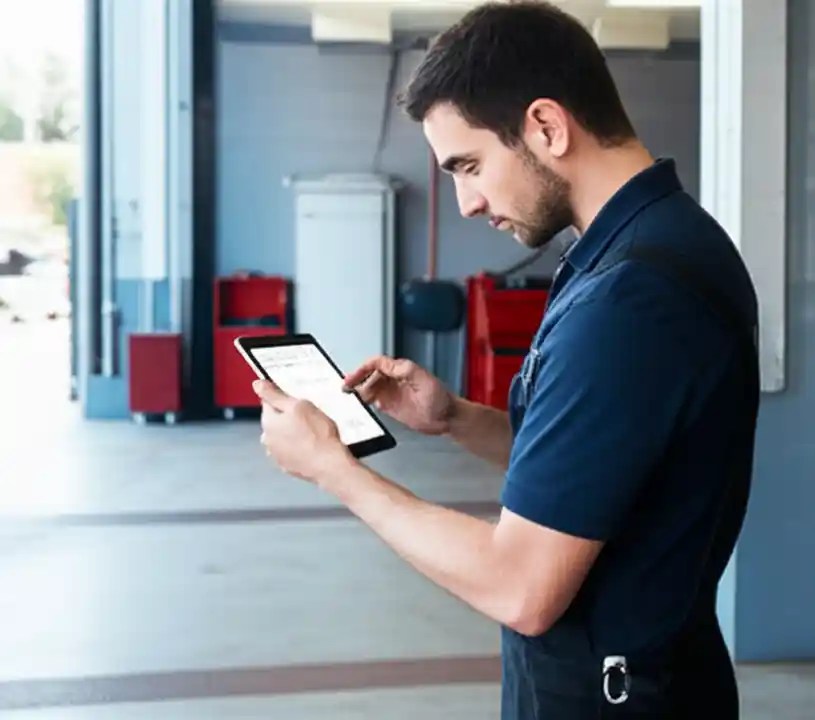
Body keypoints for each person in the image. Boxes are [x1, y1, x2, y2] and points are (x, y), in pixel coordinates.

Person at [252, 1, 760, 717]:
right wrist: (455, 417)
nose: (465, 202)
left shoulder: (630, 301)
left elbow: (521, 587)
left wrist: (338, 470)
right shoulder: (657, 243)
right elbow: (600, 468)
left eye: (470, 165)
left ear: (547, 128)